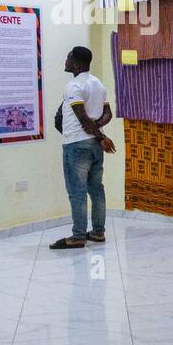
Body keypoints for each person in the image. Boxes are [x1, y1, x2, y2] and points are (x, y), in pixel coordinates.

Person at [50, 45, 115, 250]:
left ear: (77, 63)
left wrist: (98, 134)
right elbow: (107, 115)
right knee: (96, 189)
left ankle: (78, 236)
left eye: (68, 57)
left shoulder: (73, 86)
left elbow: (83, 119)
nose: (66, 61)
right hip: (94, 145)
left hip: (76, 144)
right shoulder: (98, 84)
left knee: (76, 192)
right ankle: (97, 232)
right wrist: (100, 136)